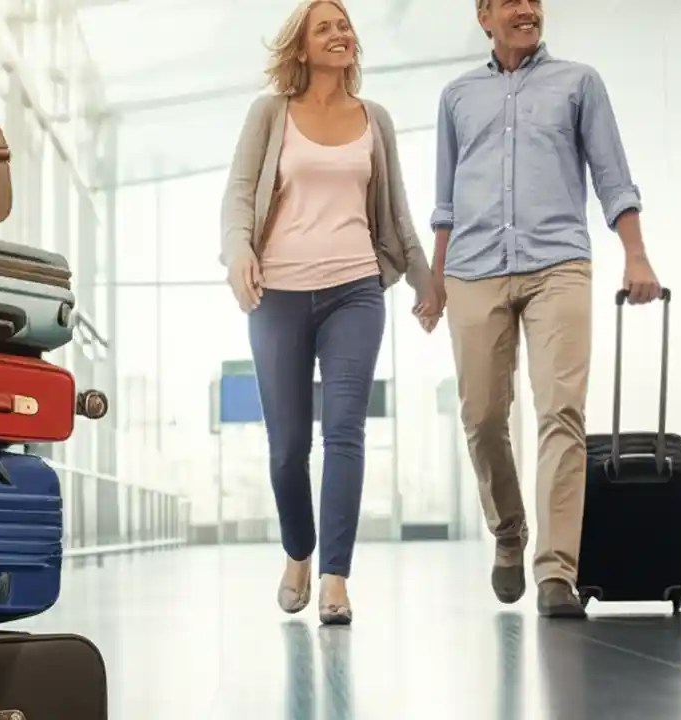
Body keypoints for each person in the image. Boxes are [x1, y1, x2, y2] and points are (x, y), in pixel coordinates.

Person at [428, 0, 663, 618]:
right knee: (482, 416)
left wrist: (636, 255)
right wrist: (435, 278)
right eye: (512, 1)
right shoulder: (457, 96)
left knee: (561, 411)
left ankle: (558, 570)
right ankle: (509, 530)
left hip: (558, 263)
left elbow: (613, 177)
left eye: (533, 0)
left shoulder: (579, 83)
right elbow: (445, 201)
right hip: (473, 268)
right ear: (485, 16)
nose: (527, 10)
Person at [220, 0, 437, 625]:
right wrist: (238, 252)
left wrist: (425, 281)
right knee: (288, 446)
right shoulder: (270, 113)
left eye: (344, 25)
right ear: (302, 47)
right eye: (325, 27)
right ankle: (299, 551)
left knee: (345, 432)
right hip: (278, 294)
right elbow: (239, 194)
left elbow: (396, 210)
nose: (339, 33)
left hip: (355, 290)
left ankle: (336, 576)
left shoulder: (374, 119)